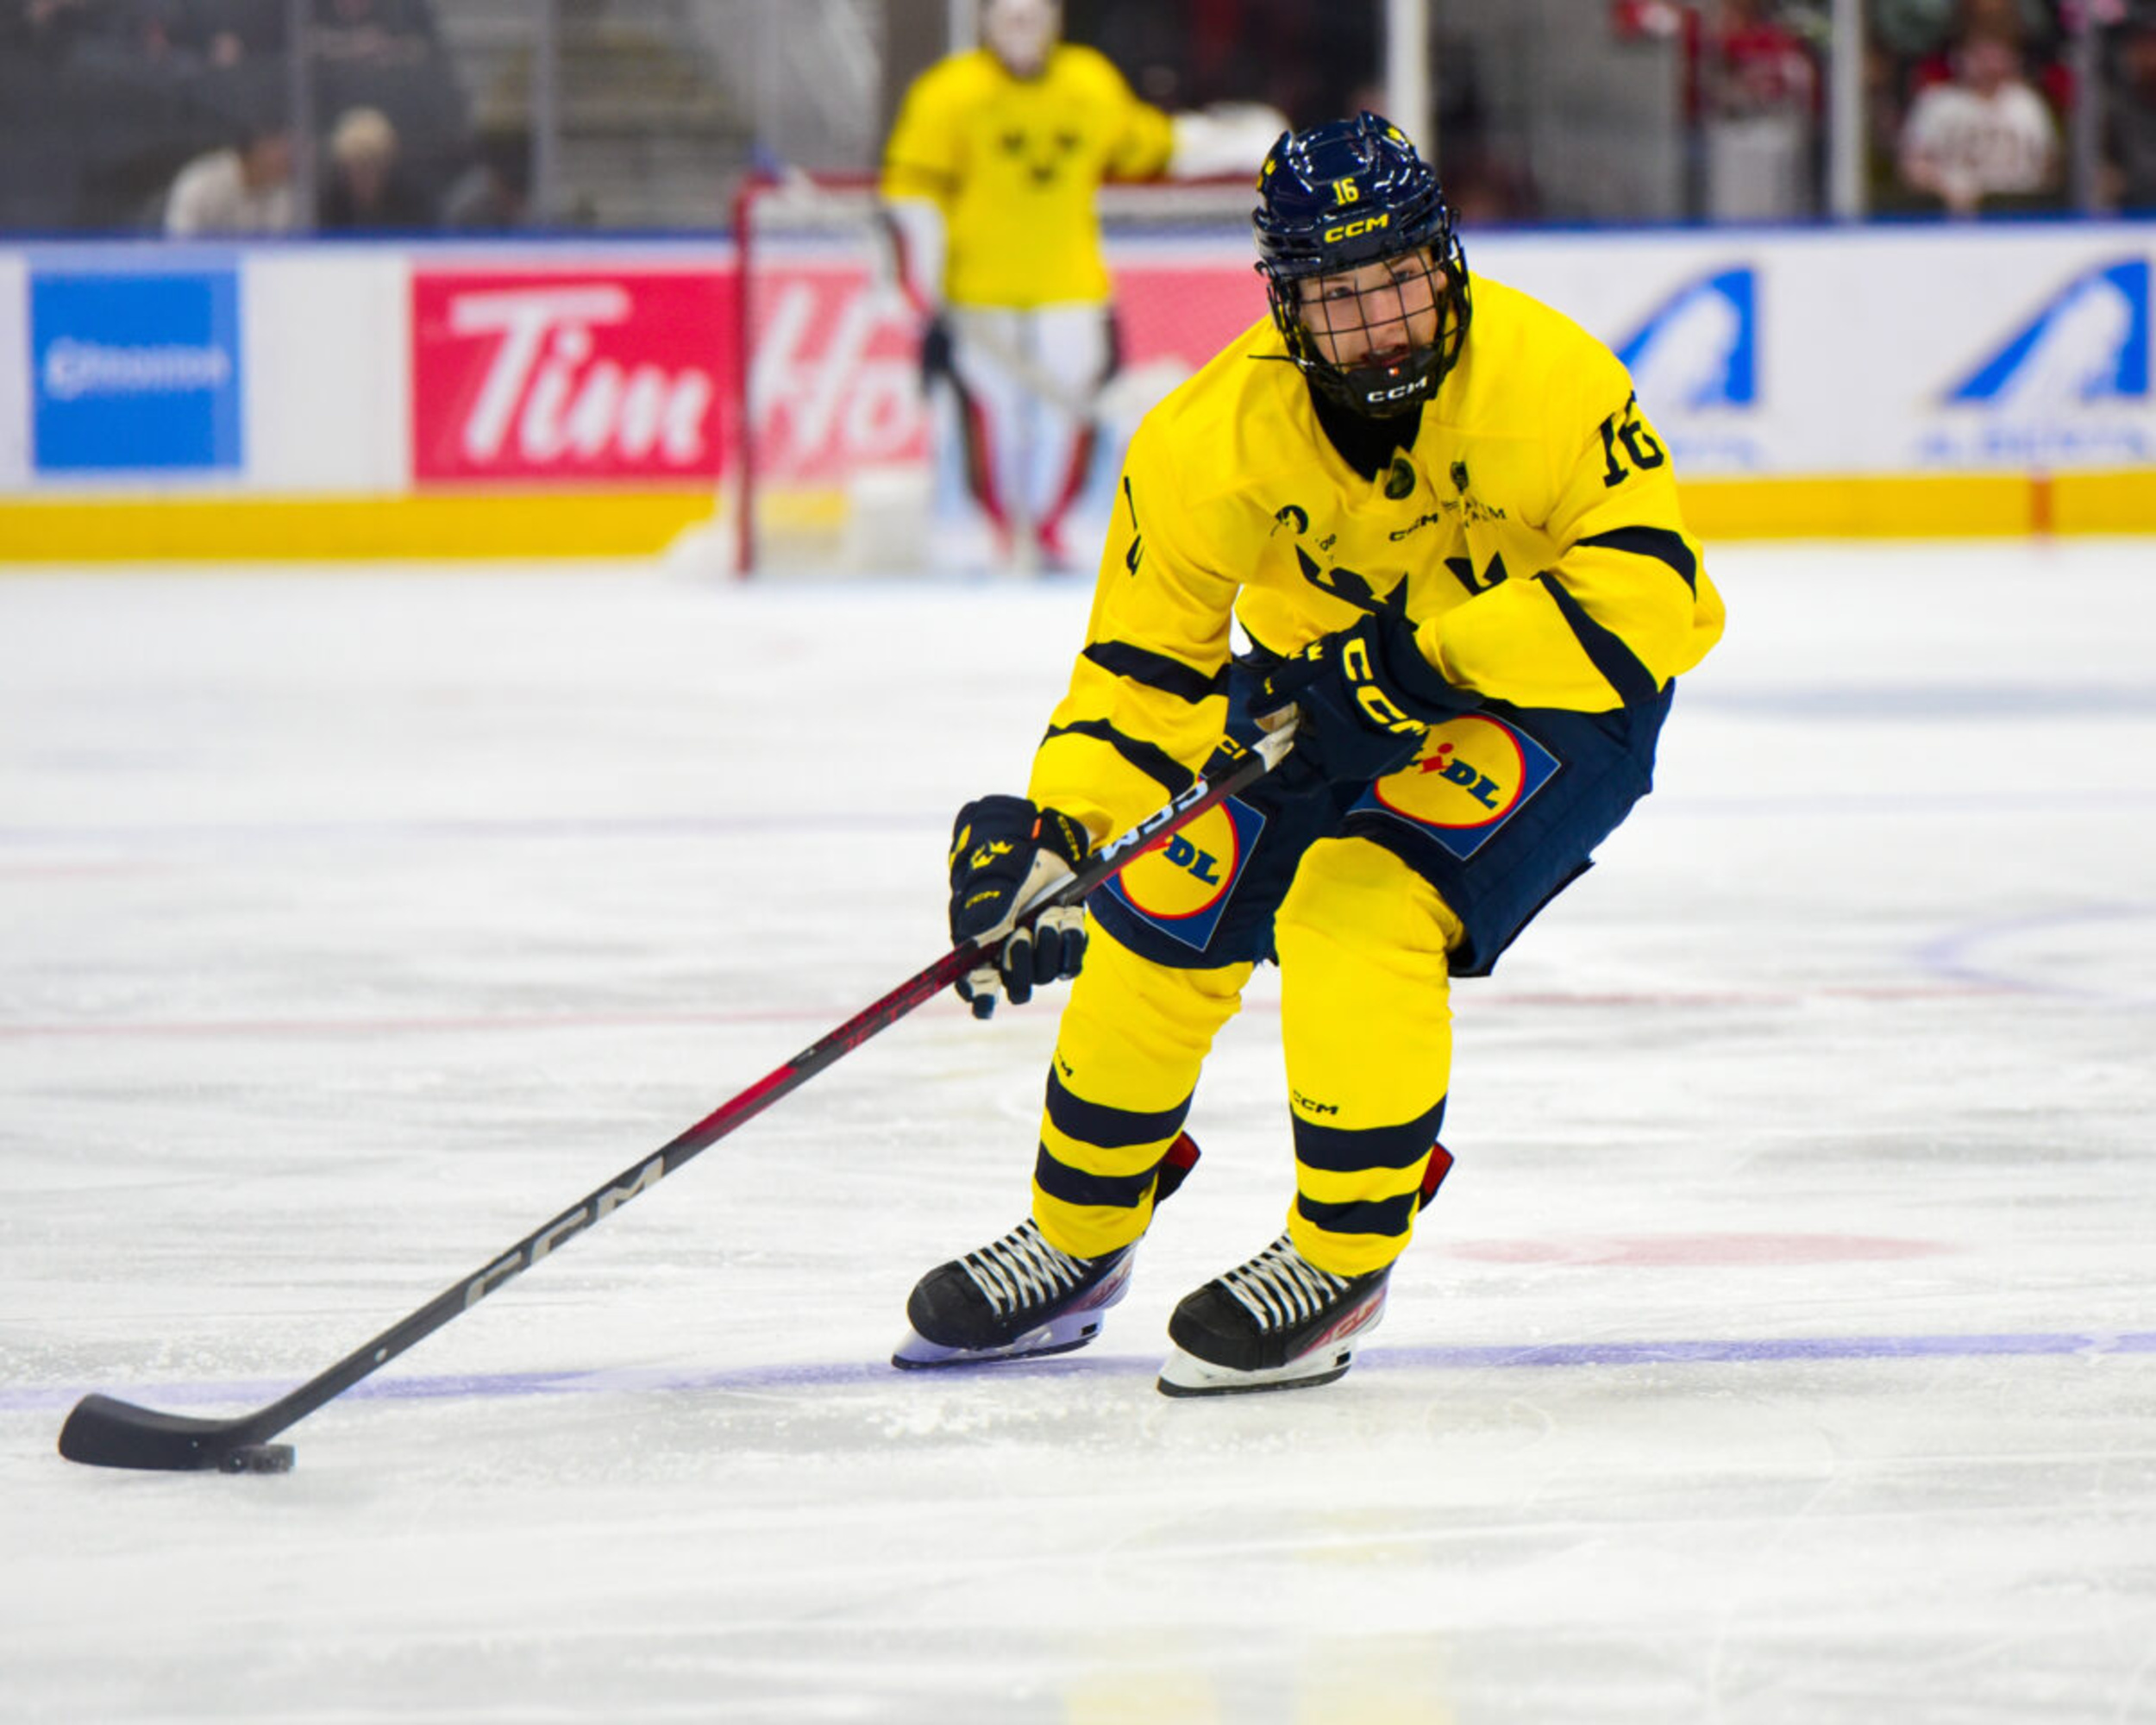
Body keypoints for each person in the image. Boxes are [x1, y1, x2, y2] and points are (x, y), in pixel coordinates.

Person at [893, 113, 1726, 1396]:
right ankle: (1076, 1242)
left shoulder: (1553, 381)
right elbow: (1141, 676)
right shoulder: (1203, 444)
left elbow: (1651, 602)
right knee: (1161, 900)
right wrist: (1058, 831)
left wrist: (1421, 662)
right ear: (1283, 306)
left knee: (1356, 904)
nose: (1383, 323)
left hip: (1555, 703)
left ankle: (1340, 1260)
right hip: (1318, 699)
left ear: (1443, 265)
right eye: (1341, 298)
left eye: (1399, 279)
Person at [881, 0, 1282, 570]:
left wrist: (1234, 141)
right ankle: (980, 534)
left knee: (1075, 413)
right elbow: (911, 192)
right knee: (980, 412)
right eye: (1010, 17)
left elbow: (1151, 144)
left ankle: (1058, 531)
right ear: (987, 21)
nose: (1022, 29)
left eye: (1033, 16)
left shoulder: (1087, 82)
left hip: (1071, 289)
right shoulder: (949, 92)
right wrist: (922, 280)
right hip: (977, 295)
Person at [1896, 20, 2059, 215]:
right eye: (1981, 56)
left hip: (2020, 213)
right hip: (1955, 216)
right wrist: (1944, 189)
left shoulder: (2028, 103)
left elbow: (2050, 165)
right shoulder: (1937, 103)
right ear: (1960, 57)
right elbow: (1913, 166)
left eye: (1998, 56)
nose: (1990, 65)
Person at [163, 118, 297, 236]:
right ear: (258, 147)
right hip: (201, 262)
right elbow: (180, 242)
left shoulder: (281, 191)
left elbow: (278, 251)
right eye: (280, 146)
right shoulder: (202, 182)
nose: (289, 156)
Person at [318, 105, 429, 229]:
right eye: (356, 167)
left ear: (386, 165)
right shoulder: (331, 204)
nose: (363, 177)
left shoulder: (412, 202)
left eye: (371, 166)